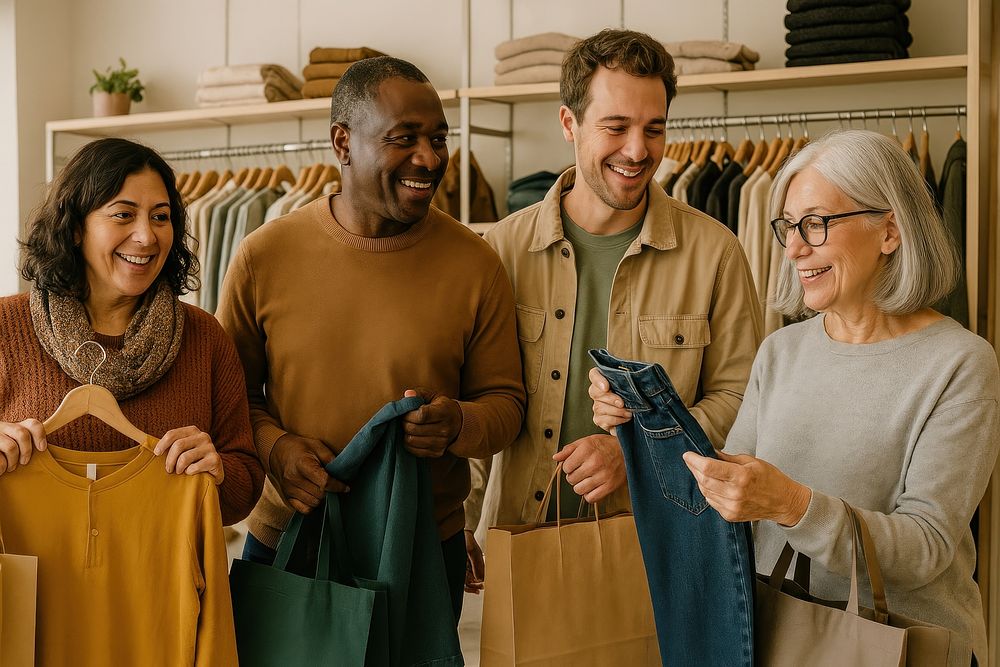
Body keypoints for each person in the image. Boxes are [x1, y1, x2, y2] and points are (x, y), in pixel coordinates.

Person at [593, 129, 998, 667]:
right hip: (786, 638)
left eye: (816, 224)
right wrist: (642, 424)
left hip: (901, 646)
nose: (794, 248)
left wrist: (791, 505)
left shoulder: (959, 363)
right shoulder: (780, 350)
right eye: (788, 227)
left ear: (890, 231)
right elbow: (726, 504)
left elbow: (925, 549)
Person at [215, 56, 525, 621]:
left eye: (438, 138)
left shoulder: (477, 264)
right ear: (343, 142)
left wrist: (458, 423)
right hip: (289, 539)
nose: (429, 159)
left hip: (424, 550)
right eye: (404, 138)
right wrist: (275, 449)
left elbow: (507, 406)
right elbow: (229, 400)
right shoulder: (264, 255)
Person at [463, 28, 762, 584]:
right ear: (569, 124)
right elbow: (479, 407)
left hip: (662, 556)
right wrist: (456, 524)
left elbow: (744, 400)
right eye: (616, 127)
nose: (637, 150)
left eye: (654, 129)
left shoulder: (715, 253)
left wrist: (638, 452)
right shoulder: (497, 252)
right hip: (522, 550)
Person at [0, 137, 264, 526]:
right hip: (35, 582)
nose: (146, 236)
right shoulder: (7, 329)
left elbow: (244, 489)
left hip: (159, 579)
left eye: (160, 217)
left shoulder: (203, 337)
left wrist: (219, 469)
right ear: (75, 228)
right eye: (123, 215)